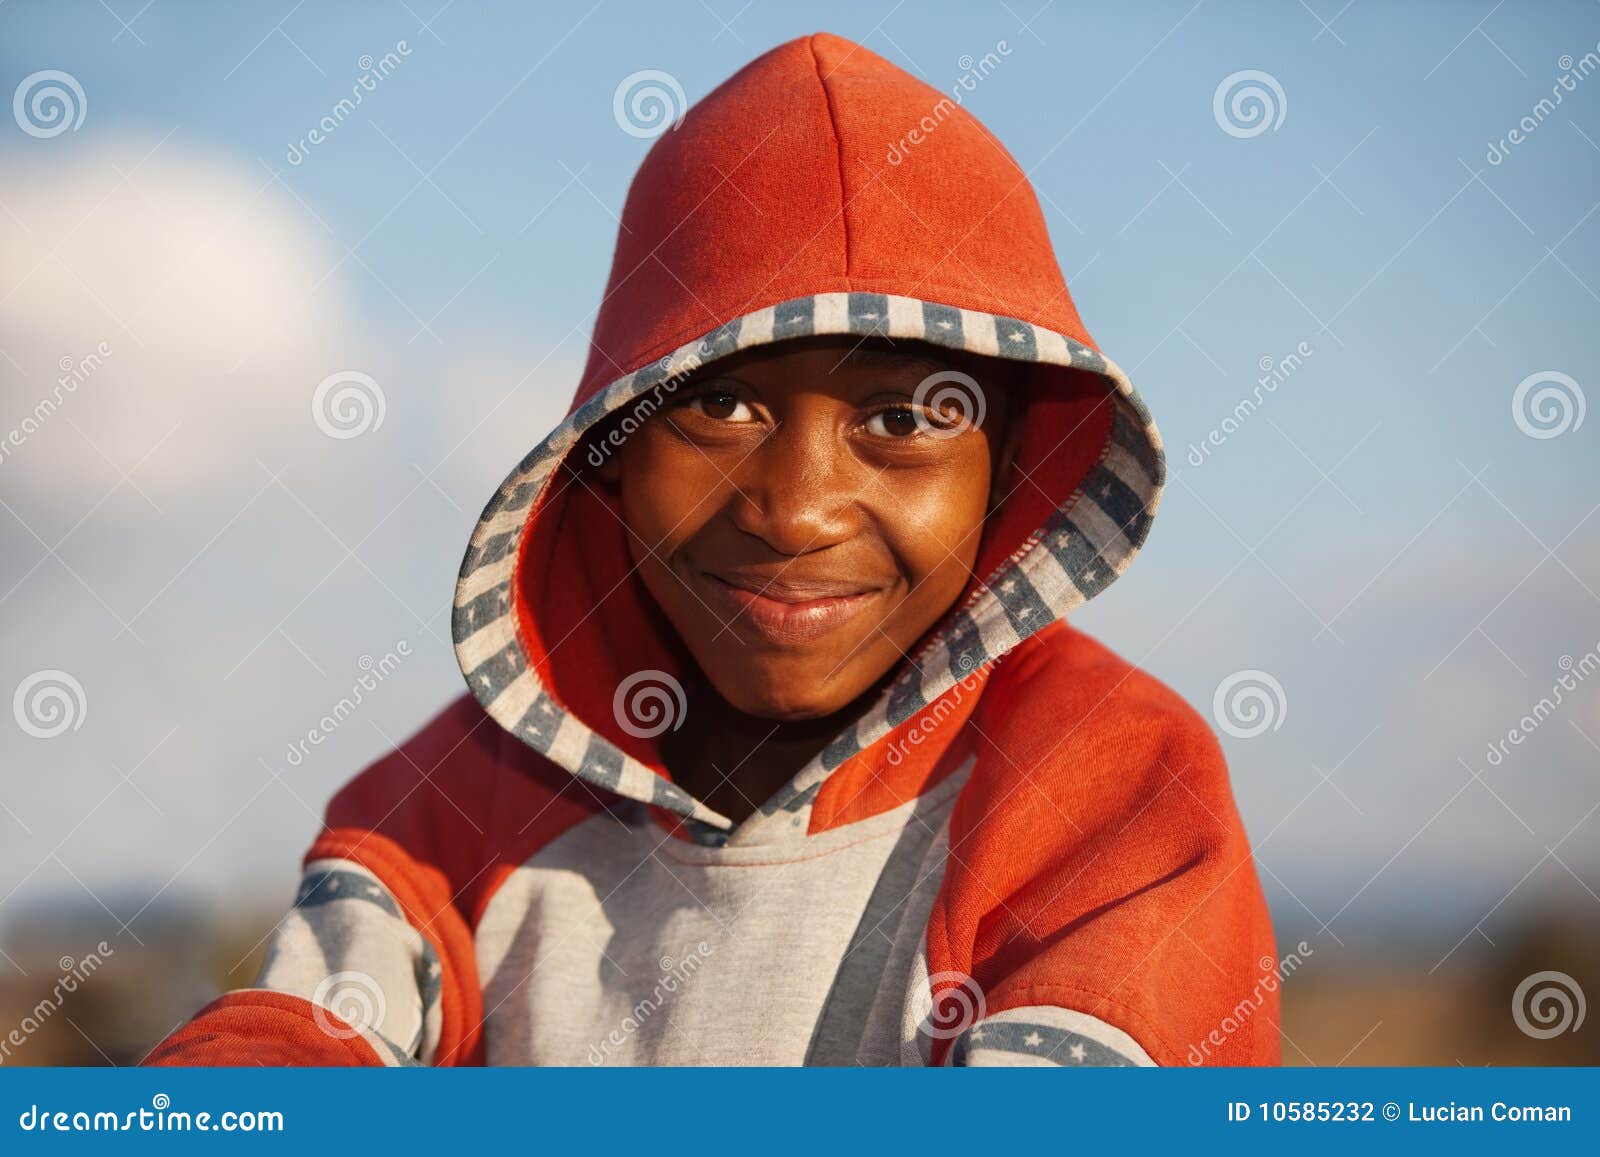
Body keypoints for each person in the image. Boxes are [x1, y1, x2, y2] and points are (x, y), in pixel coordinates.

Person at [146, 32, 1278, 1067]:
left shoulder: (1109, 784)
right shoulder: (465, 799)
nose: (794, 512)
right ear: (610, 449)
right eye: (719, 405)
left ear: (1015, 467)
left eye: (902, 419)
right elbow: (297, 1042)